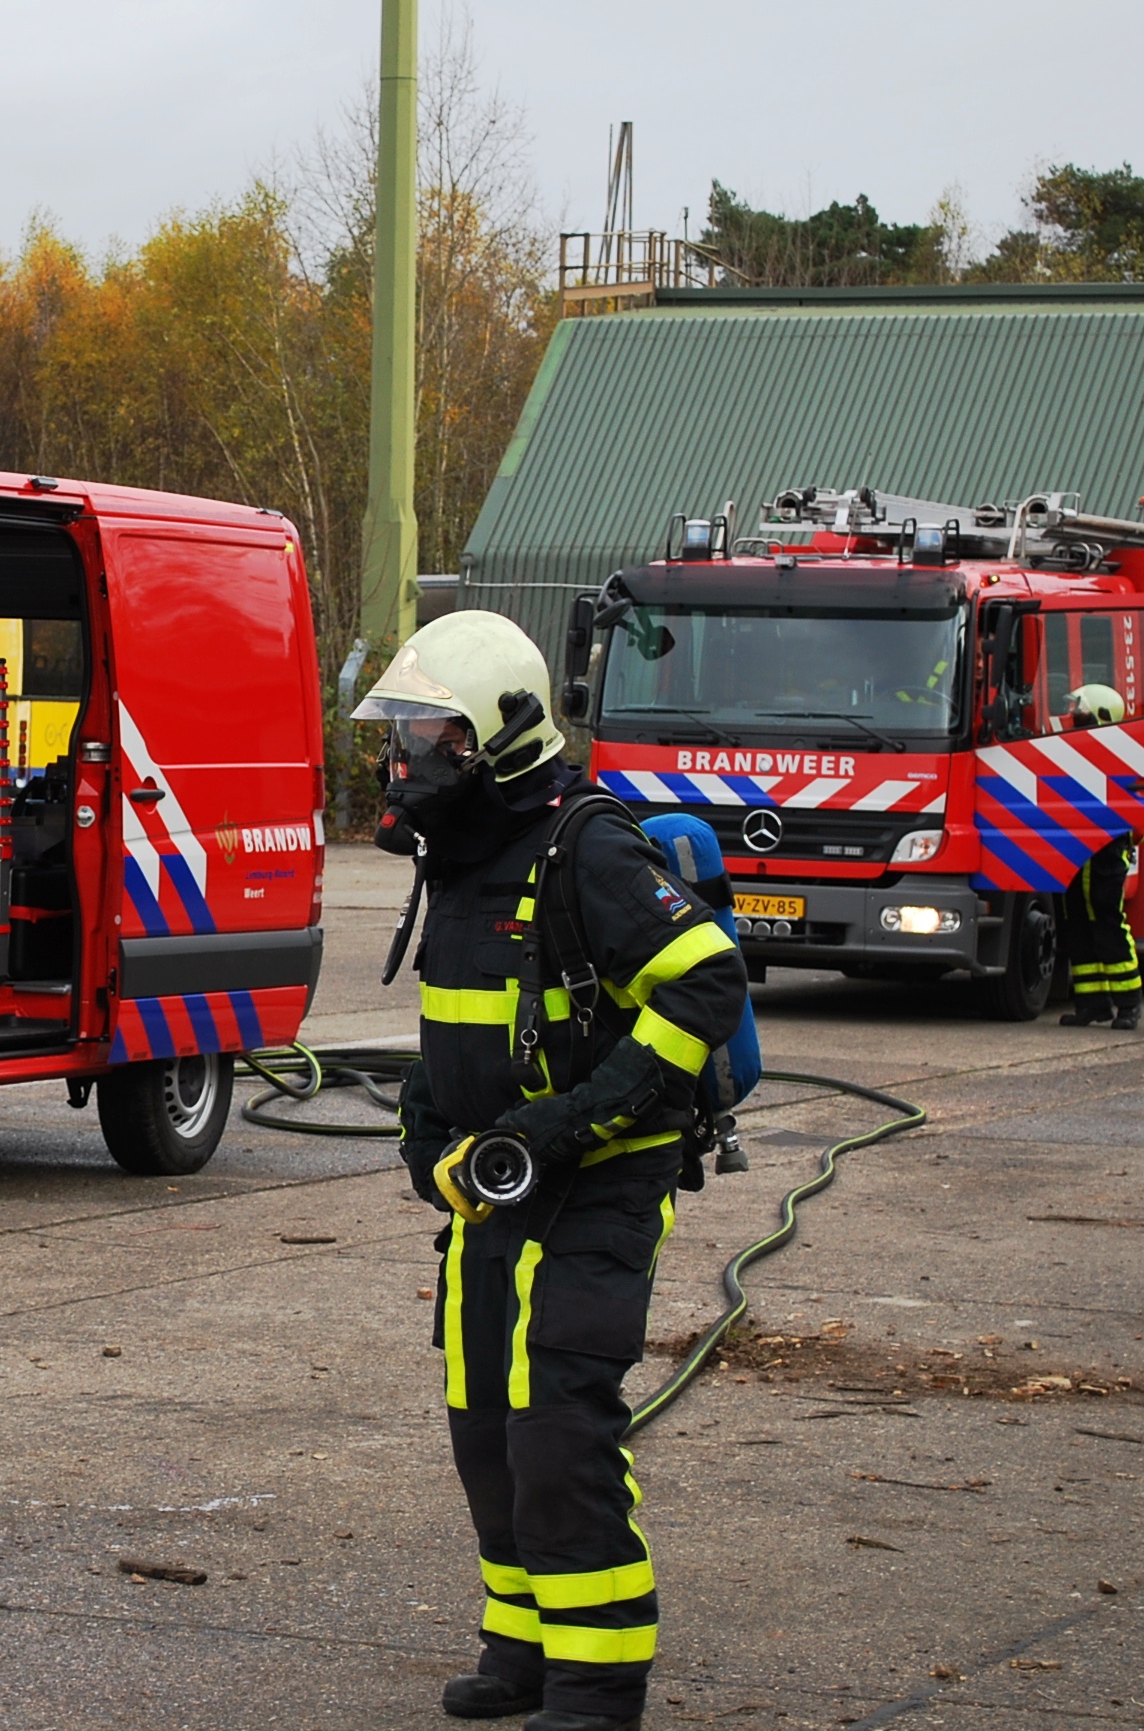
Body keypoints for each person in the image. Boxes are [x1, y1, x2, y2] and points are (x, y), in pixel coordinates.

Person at [353, 612, 749, 1731]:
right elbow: (454, 1031)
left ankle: (596, 1685)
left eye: (429, 733)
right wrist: (430, 1151)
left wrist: (572, 1125)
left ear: (501, 734)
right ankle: (520, 1648)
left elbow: (704, 985)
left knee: (558, 1431)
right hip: (493, 1190)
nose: (406, 759)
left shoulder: (589, 846)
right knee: (485, 1429)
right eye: (401, 737)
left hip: (601, 1184)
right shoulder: (462, 856)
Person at [1055, 684, 1143, 1031]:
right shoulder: (1070, 750)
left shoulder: (1120, 753)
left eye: (1081, 711)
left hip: (1106, 851)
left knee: (1108, 921)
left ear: (1100, 715)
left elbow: (1137, 815)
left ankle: (1128, 1005)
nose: (1074, 716)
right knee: (1076, 922)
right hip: (1077, 849)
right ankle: (1092, 1004)